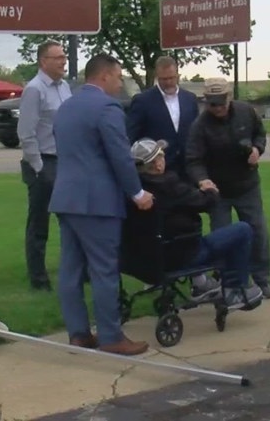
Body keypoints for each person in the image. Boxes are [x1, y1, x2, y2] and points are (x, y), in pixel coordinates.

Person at [49, 53, 154, 355]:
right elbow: (119, 155)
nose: (121, 83)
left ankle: (78, 333)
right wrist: (137, 193)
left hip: (66, 198)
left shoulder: (66, 107)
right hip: (97, 202)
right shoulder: (107, 107)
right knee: (104, 270)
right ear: (104, 76)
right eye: (119, 77)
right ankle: (111, 337)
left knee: (70, 269)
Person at [126, 138, 264, 310]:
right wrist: (209, 189)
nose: (164, 159)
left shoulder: (131, 190)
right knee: (241, 231)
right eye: (161, 156)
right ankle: (234, 290)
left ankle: (203, 285)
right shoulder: (168, 185)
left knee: (186, 232)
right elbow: (205, 202)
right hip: (180, 255)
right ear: (156, 165)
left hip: (142, 259)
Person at [125, 55, 218, 299]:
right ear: (157, 76)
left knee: (188, 221)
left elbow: (195, 135)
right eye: (164, 79)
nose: (168, 82)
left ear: (178, 74)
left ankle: (197, 278)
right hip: (155, 175)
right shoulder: (143, 101)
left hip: (184, 173)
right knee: (157, 226)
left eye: (172, 78)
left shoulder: (188, 100)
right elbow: (130, 137)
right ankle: (154, 274)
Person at [185, 77, 270, 298]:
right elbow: (193, 159)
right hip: (218, 191)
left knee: (258, 232)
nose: (217, 108)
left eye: (221, 102)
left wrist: (257, 149)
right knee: (222, 237)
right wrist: (202, 180)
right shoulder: (200, 126)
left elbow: (260, 134)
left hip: (247, 185)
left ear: (230, 97)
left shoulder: (246, 112)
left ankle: (261, 278)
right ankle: (227, 283)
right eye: (212, 103)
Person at [17, 39, 73, 291]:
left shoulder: (65, 88)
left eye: (64, 57)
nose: (63, 61)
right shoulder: (34, 89)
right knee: (39, 223)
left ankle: (74, 271)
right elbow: (26, 134)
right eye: (58, 57)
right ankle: (38, 279)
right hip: (43, 162)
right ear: (43, 61)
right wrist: (39, 168)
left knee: (71, 220)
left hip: (65, 160)